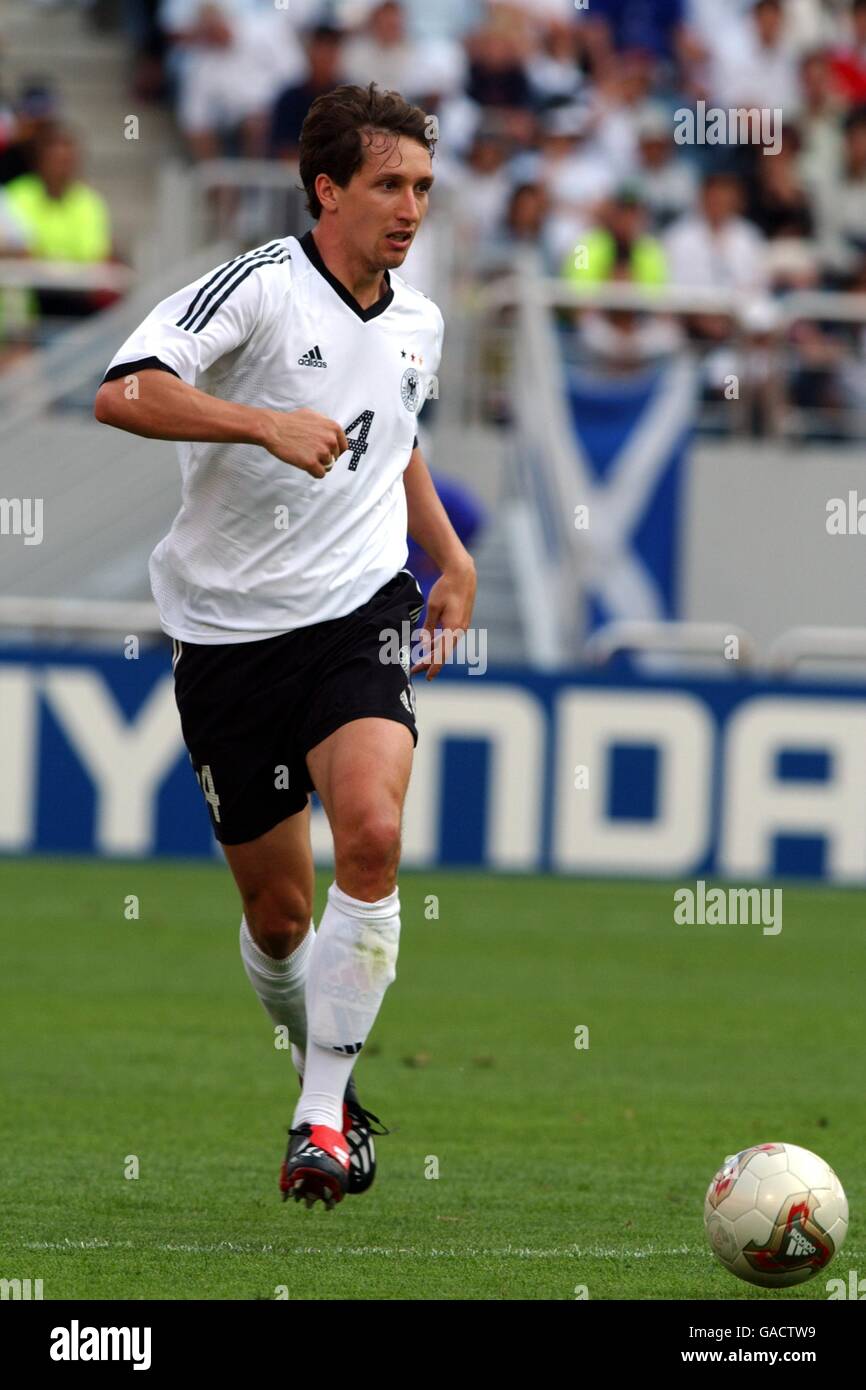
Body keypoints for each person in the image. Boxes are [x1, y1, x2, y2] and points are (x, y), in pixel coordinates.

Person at [93, 82, 476, 1211]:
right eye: (387, 185)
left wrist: (448, 557)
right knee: (278, 921)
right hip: (223, 638)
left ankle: (318, 1117)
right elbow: (123, 394)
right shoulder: (260, 288)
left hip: (355, 617)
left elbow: (391, 434)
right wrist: (259, 419)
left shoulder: (420, 319)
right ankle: (324, 1081)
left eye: (421, 186)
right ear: (326, 189)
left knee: (369, 830)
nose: (409, 207)